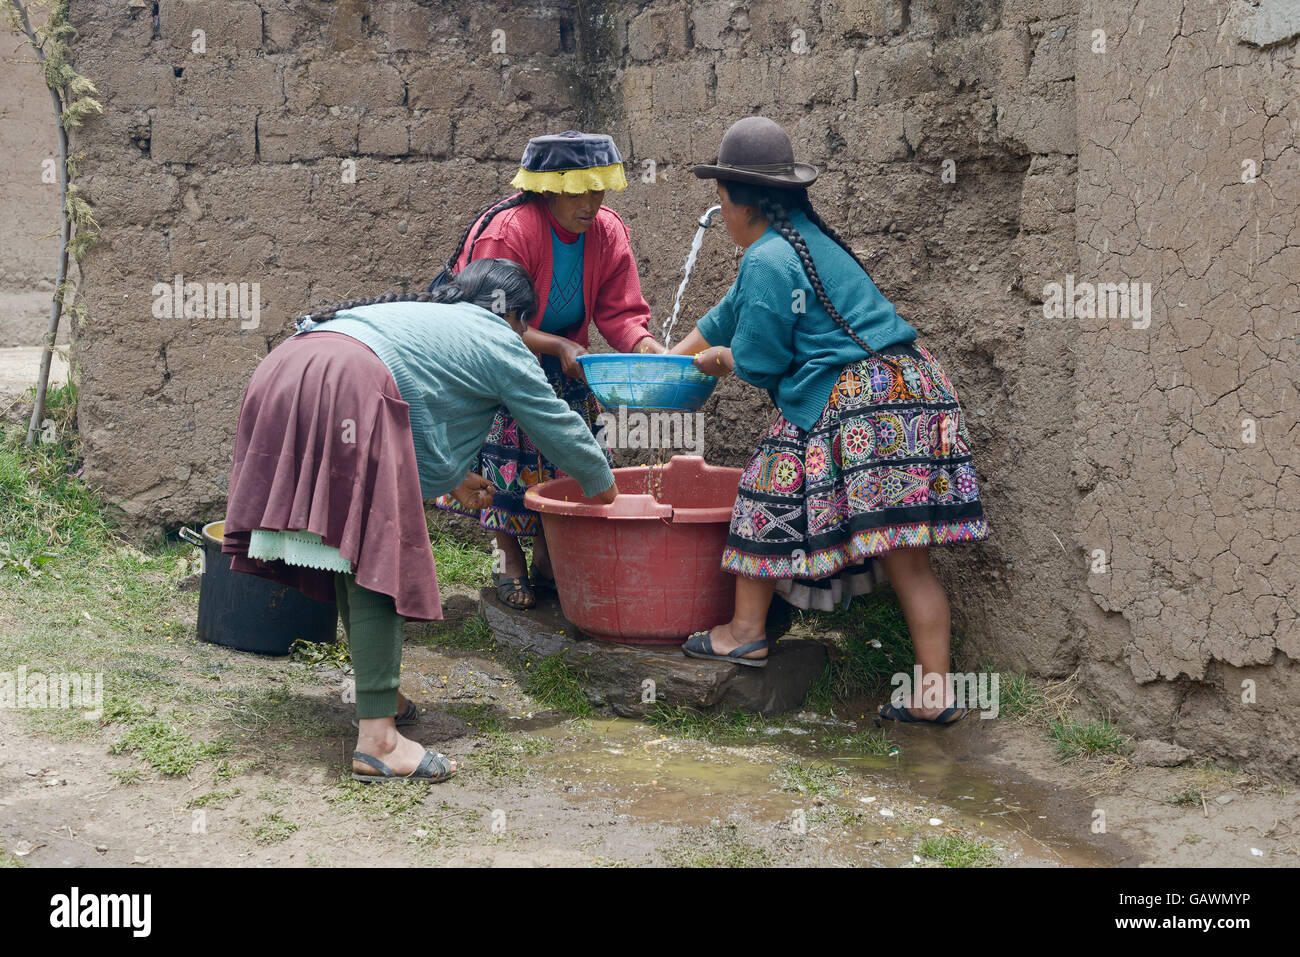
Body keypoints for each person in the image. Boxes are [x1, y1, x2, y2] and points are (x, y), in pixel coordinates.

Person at [222, 259, 619, 782]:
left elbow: (417, 403)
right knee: (375, 551)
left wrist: (454, 479)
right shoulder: (498, 337)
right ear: (517, 319)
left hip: (285, 370)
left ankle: (378, 693)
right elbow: (553, 421)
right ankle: (379, 742)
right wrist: (606, 488)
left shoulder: (421, 317)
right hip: (347, 382)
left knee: (345, 545)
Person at [670, 117, 989, 725]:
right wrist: (668, 360)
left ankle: (743, 631)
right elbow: (729, 311)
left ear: (746, 204)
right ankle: (936, 694)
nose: (719, 218)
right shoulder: (804, 238)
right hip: (911, 391)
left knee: (763, 492)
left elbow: (761, 361)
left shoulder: (768, 257)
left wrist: (715, 363)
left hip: (857, 404)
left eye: (721, 203)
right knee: (910, 559)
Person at [433, 131, 666, 611]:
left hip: (565, 362)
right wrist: (558, 343)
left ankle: (547, 557)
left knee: (571, 447)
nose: (590, 203)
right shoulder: (510, 230)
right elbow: (490, 323)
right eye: (577, 191)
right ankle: (508, 557)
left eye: (597, 189)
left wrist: (647, 347)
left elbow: (620, 312)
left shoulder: (608, 231)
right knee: (505, 448)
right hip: (494, 355)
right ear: (546, 188)